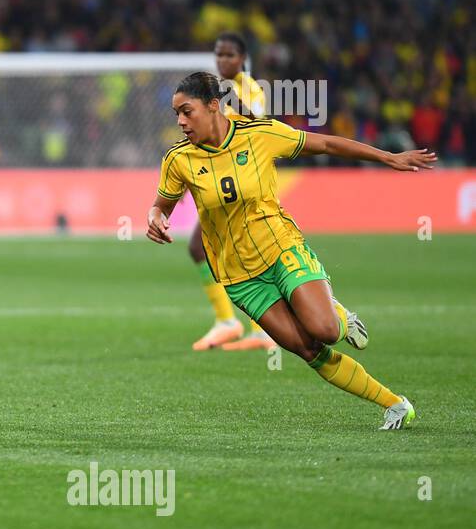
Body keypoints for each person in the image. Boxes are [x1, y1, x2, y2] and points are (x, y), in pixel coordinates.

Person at [147, 72, 433, 429]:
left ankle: (343, 318)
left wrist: (387, 157)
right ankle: (394, 404)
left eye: (187, 112)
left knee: (326, 330)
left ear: (213, 106)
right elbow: (163, 205)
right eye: (177, 114)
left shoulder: (260, 134)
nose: (180, 121)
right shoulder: (178, 160)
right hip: (240, 277)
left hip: (282, 248)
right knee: (308, 349)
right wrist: (155, 217)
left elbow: (326, 145)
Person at [189, 33, 274, 351]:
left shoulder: (248, 87)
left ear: (243, 59)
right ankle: (248, 326)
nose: (222, 60)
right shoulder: (220, 89)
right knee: (211, 249)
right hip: (222, 178)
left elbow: (259, 122)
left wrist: (227, 97)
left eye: (229, 55)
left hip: (243, 178)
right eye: (218, 54)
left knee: (204, 247)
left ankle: (239, 323)